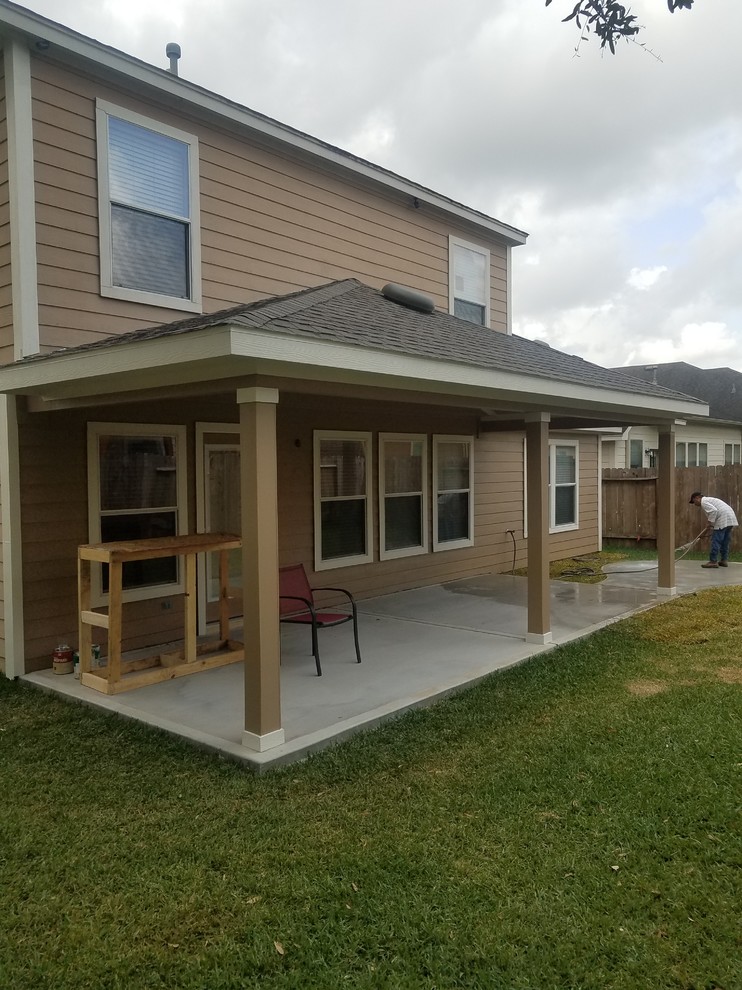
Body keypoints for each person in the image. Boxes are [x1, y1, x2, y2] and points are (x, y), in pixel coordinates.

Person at [689, 491, 738, 568]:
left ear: (697, 498)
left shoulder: (704, 501)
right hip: (730, 517)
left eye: (693, 501)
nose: (694, 504)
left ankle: (713, 561)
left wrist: (709, 523)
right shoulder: (709, 500)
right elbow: (715, 512)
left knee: (716, 540)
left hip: (723, 518)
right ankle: (724, 560)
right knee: (725, 541)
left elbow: (713, 511)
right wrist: (707, 529)